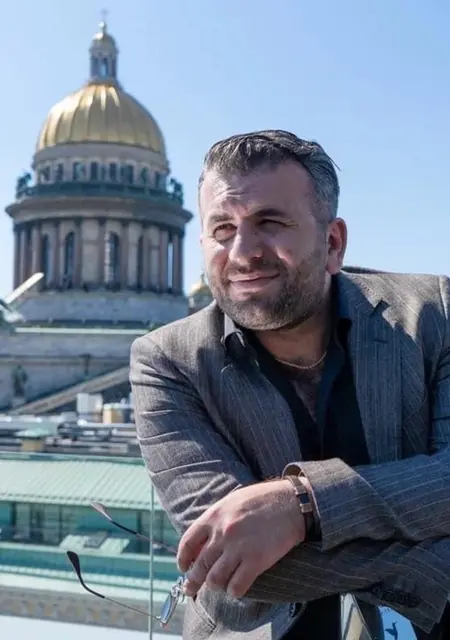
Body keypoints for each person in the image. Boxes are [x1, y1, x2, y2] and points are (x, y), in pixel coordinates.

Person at [130, 130, 450, 639]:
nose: (242, 253)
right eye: (223, 228)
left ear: (333, 243)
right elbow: (232, 577)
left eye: (270, 222)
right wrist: (430, 555)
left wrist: (302, 505)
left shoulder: (433, 314)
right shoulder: (165, 361)